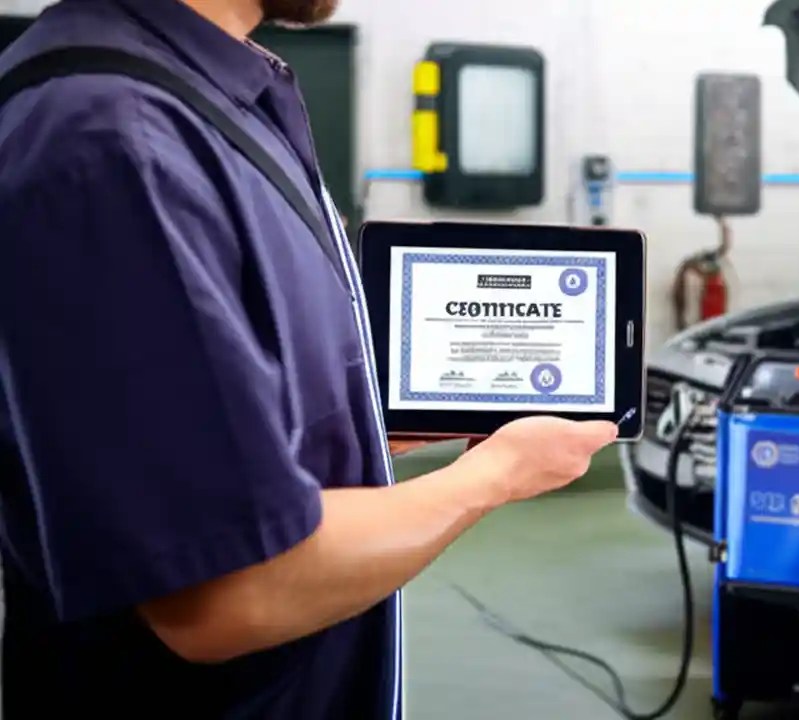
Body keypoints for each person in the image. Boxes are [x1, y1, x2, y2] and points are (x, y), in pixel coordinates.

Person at [0, 0, 617, 717]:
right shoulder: (116, 138)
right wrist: (494, 474)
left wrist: (361, 434)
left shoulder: (211, 98)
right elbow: (231, 594)